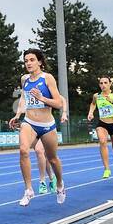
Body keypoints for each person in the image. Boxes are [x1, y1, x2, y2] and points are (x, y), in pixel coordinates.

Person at [8, 48, 66, 206]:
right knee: (23, 150)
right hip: (29, 122)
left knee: (53, 159)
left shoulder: (48, 78)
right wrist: (18, 114)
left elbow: (59, 103)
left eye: (32, 60)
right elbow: (23, 99)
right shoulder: (24, 79)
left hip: (47, 125)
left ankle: (60, 184)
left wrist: (42, 97)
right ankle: (28, 190)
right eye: (26, 60)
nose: (28, 63)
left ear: (40, 62)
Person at [86, 76, 113, 178]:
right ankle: (107, 169)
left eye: (105, 83)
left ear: (110, 84)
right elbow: (93, 104)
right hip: (102, 123)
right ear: (99, 85)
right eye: (101, 83)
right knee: (102, 142)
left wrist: (112, 101)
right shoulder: (96, 96)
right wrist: (91, 113)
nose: (103, 85)